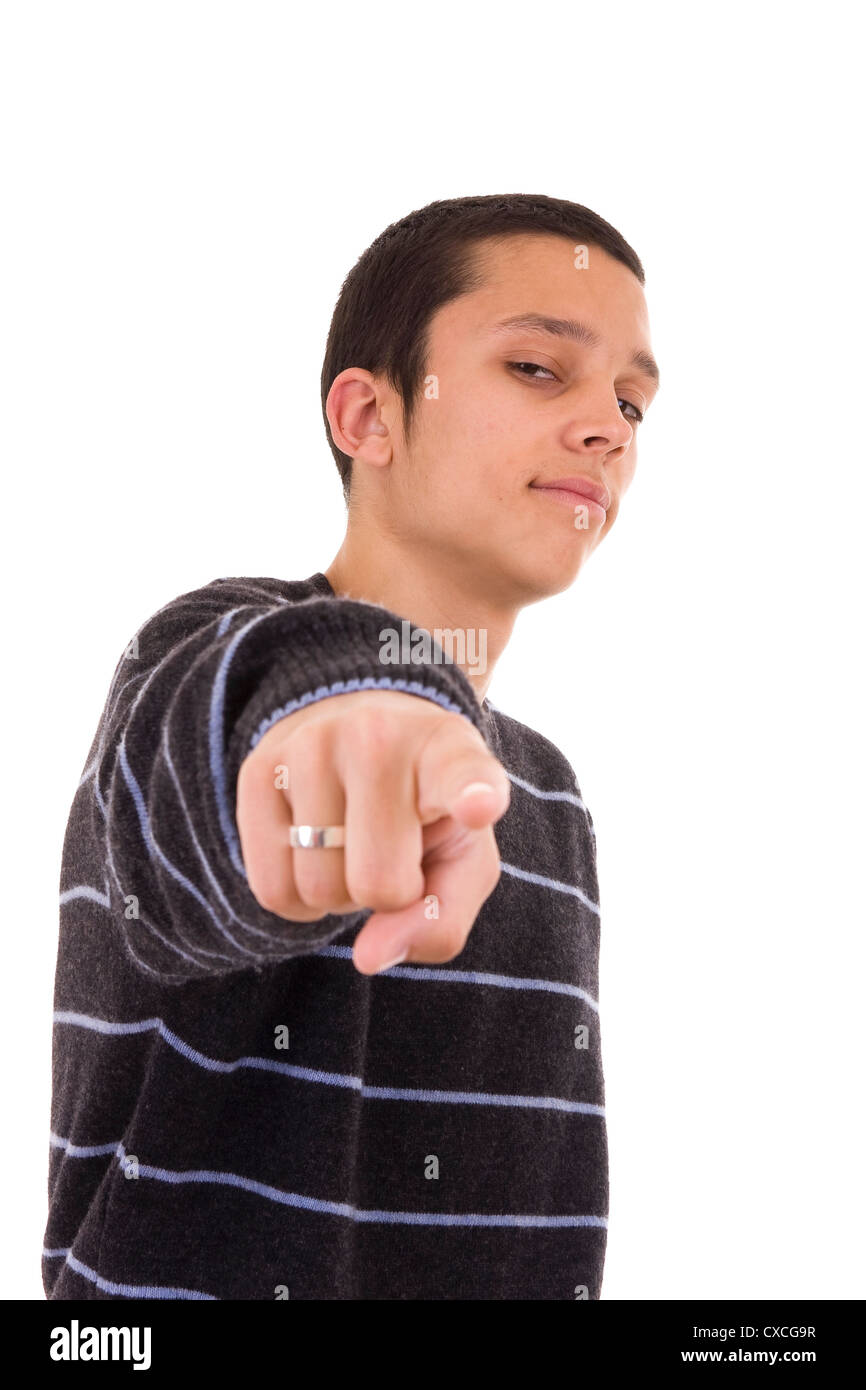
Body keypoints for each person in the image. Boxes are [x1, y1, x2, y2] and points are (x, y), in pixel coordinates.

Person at [44, 192, 660, 1300]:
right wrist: (343, 704)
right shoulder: (209, 656)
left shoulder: (548, 793)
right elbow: (230, 738)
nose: (608, 426)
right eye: (536, 368)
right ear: (369, 418)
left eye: (631, 400)